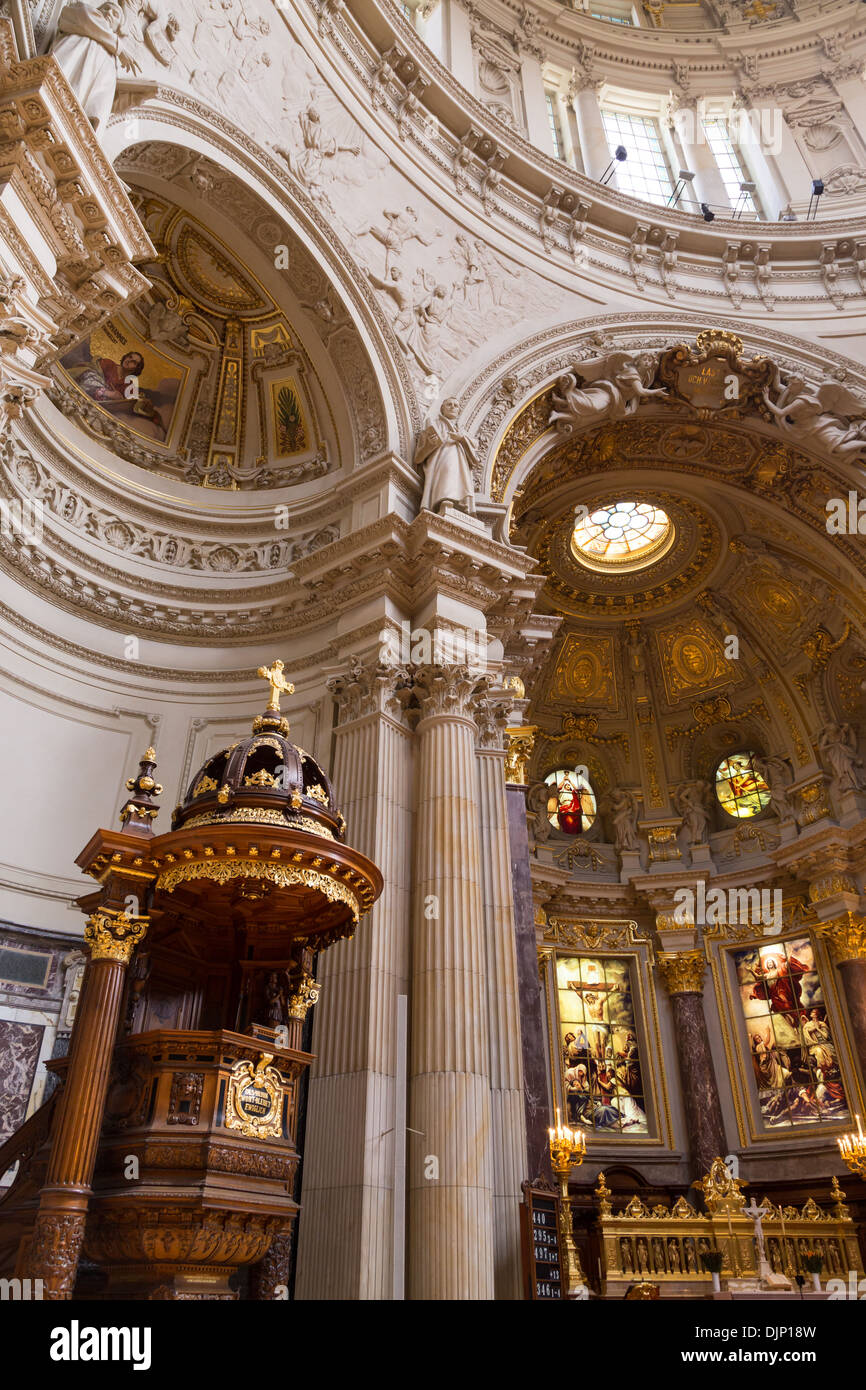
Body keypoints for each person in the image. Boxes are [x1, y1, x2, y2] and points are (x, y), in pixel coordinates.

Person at [51, 2, 140, 134]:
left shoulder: (110, 58)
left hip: (75, 115)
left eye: (115, 14)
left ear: (117, 28)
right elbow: (84, 17)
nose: (109, 13)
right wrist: (119, 48)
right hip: (54, 84)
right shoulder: (81, 12)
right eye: (105, 8)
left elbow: (102, 92)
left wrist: (132, 98)